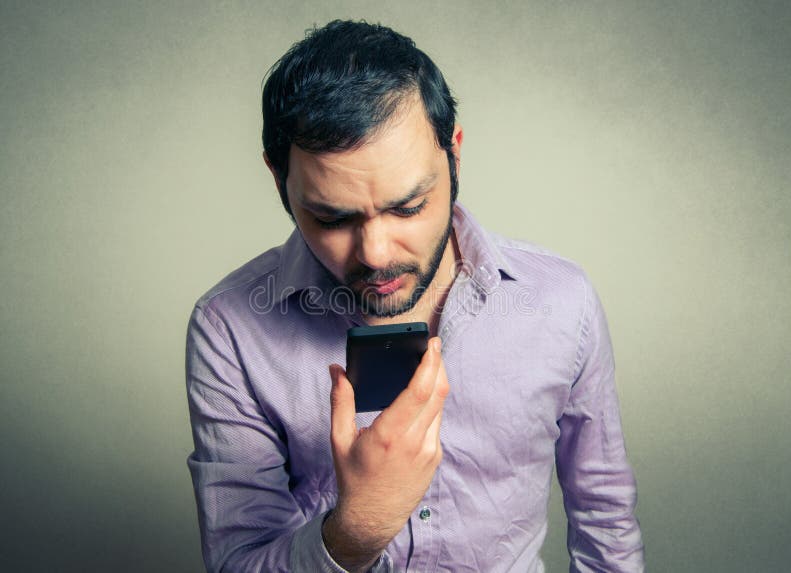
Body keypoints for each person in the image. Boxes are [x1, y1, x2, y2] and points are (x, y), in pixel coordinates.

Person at [185, 19, 644, 572]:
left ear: (455, 155)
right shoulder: (230, 329)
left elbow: (605, 520)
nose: (376, 254)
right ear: (279, 180)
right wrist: (357, 529)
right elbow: (238, 561)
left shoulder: (562, 302)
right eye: (332, 218)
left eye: (407, 208)